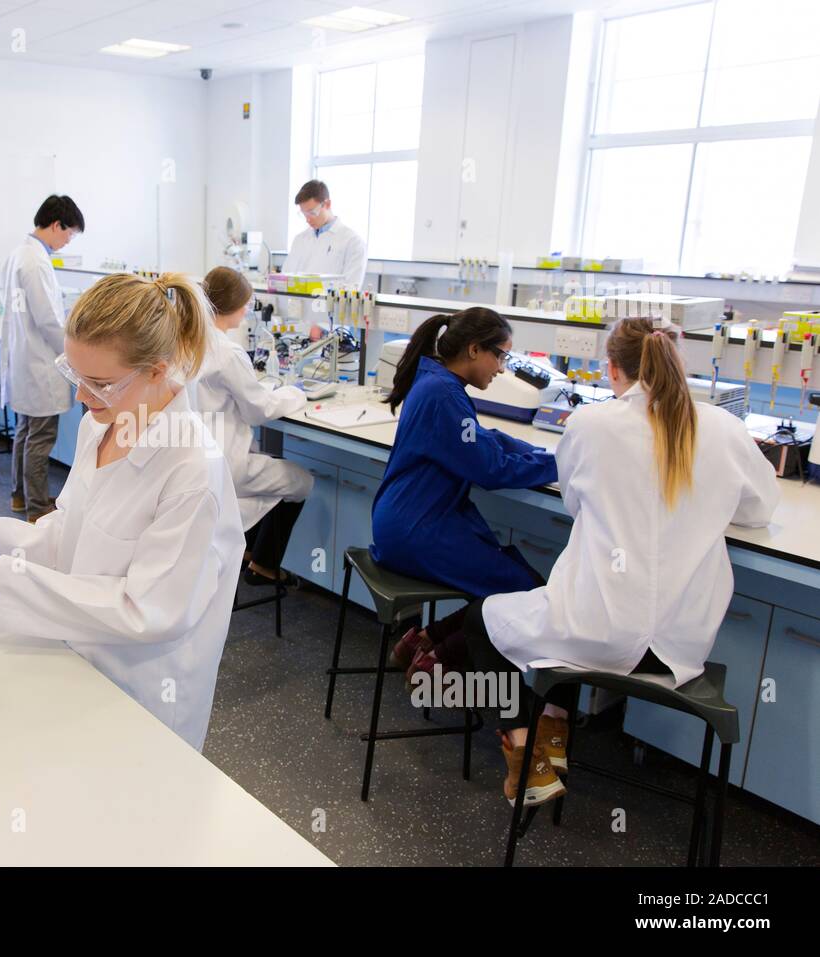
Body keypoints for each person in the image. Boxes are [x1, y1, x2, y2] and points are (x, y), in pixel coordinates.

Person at [466, 317, 780, 806]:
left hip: (596, 636)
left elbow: (574, 498)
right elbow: (759, 509)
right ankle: (552, 736)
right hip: (680, 651)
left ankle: (527, 753)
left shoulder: (591, 424)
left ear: (612, 369)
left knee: (478, 622)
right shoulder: (724, 428)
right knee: (549, 618)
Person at [0, 273, 245, 751]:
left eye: (99, 383)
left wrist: (11, 581)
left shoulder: (192, 471)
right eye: (74, 376)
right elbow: (69, 533)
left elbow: (148, 611)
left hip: (145, 693)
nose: (80, 398)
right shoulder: (100, 427)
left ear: (158, 370)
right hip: (77, 660)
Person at [371, 307, 557, 679]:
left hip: (407, 520)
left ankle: (422, 640)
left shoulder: (438, 382)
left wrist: (542, 454)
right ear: (474, 350)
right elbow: (490, 468)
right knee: (526, 592)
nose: (502, 368)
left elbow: (486, 439)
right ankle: (435, 662)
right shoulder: (443, 395)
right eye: (500, 355)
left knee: (511, 579)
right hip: (417, 530)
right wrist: (562, 466)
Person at [195, 266, 311, 586]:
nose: (248, 310)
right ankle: (265, 565)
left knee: (270, 472)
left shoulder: (189, 341)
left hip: (196, 462)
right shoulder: (228, 352)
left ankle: (247, 552)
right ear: (234, 305)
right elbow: (260, 410)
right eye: (245, 303)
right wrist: (295, 394)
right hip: (227, 465)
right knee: (301, 482)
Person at [0, 195, 84, 522]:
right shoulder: (35, 262)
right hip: (38, 363)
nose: (68, 241)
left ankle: (20, 497)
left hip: (24, 360)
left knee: (25, 432)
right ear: (55, 225)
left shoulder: (20, 254)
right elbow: (49, 320)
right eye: (69, 234)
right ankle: (36, 509)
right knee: (40, 438)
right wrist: (73, 352)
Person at [282, 180, 369, 290]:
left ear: (327, 204)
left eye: (312, 213)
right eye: (304, 214)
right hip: (297, 305)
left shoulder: (353, 241)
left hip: (329, 306)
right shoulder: (300, 239)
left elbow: (351, 287)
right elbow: (285, 278)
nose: (308, 219)